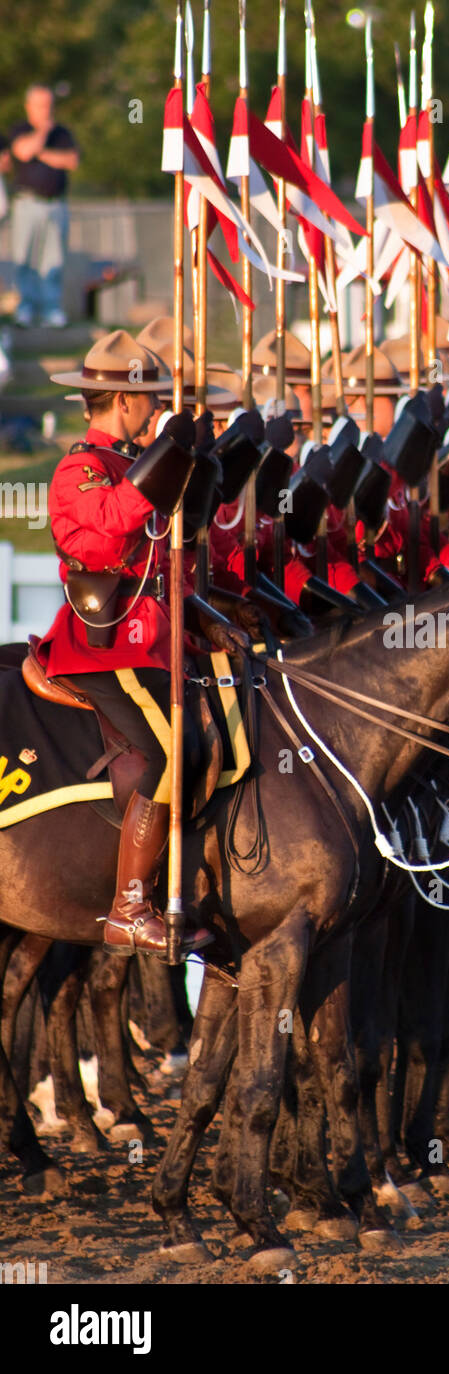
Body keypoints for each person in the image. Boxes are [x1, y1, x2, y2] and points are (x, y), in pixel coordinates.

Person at [44, 329, 220, 960]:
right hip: (103, 648)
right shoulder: (80, 471)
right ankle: (128, 909)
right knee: (166, 755)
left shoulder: (124, 465)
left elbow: (175, 560)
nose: (155, 409)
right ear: (122, 400)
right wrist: (168, 453)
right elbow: (113, 528)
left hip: (152, 641)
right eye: (148, 398)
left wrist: (209, 465)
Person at [9, 85, 78, 329]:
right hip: (27, 204)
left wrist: (42, 153)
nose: (46, 110)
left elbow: (71, 160)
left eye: (49, 105)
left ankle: (52, 309)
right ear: (29, 107)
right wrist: (41, 134)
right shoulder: (20, 129)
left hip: (55, 204)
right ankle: (26, 307)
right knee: (24, 257)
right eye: (41, 105)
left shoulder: (62, 133)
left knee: (53, 259)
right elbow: (24, 152)